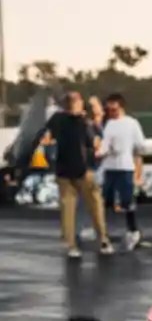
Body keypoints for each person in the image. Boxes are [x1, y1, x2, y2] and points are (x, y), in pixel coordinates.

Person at [41, 91, 111, 258]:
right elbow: (94, 144)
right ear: (78, 104)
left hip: (63, 169)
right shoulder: (84, 122)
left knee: (68, 209)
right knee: (95, 205)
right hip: (83, 169)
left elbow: (46, 138)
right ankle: (102, 239)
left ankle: (71, 245)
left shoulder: (56, 120)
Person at [99, 93, 147, 251]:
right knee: (106, 201)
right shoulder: (109, 124)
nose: (111, 112)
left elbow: (140, 146)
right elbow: (104, 145)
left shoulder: (132, 123)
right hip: (110, 167)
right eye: (109, 109)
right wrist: (102, 151)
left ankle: (133, 230)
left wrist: (138, 170)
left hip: (126, 167)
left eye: (114, 109)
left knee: (127, 201)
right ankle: (103, 232)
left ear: (121, 107)